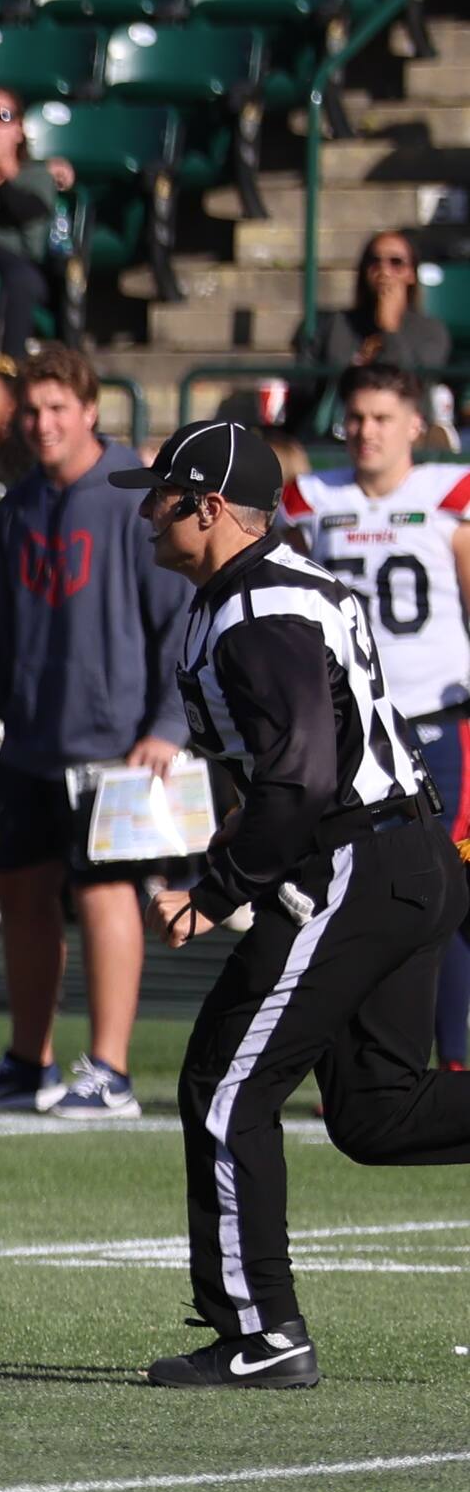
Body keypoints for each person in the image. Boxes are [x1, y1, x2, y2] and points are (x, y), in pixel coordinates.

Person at [133, 414, 470, 1385]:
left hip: (354, 866)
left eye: (162, 498)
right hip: (391, 857)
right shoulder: (253, 592)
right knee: (375, 1113)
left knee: (224, 1084)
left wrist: (218, 888)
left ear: (207, 508)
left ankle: (260, 1330)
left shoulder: (260, 609)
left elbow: (302, 777)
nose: (148, 516)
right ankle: (256, 1325)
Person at [0, 345, 192, 1120]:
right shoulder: (19, 502)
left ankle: (112, 1070)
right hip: (31, 736)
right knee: (21, 891)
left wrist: (167, 721)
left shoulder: (133, 494)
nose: (44, 423)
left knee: (104, 892)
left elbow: (177, 622)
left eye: (59, 407)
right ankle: (30, 1061)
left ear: (91, 409)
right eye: (31, 409)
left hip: (116, 740)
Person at [280, 360, 470, 1063]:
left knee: (442, 892)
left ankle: (450, 1059)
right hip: (350, 731)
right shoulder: (310, 497)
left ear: (416, 425)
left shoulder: (448, 494)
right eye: (356, 418)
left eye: (382, 418)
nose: (365, 432)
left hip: (436, 720)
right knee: (350, 892)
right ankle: (357, 1062)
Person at [301, 230, 456, 378]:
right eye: (374, 261)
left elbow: (413, 385)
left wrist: (389, 330)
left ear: (411, 274)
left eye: (396, 262)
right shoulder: (336, 325)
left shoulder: (431, 331)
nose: (384, 270)